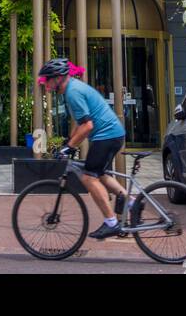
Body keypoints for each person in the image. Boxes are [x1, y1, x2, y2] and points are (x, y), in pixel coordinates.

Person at [37, 58, 128, 241]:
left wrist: (69, 148)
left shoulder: (73, 92)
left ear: (58, 78)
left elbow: (87, 126)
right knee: (98, 173)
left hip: (107, 135)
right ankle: (131, 203)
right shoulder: (71, 88)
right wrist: (68, 142)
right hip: (111, 134)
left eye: (47, 79)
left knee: (88, 177)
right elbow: (80, 123)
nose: (45, 83)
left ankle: (111, 223)